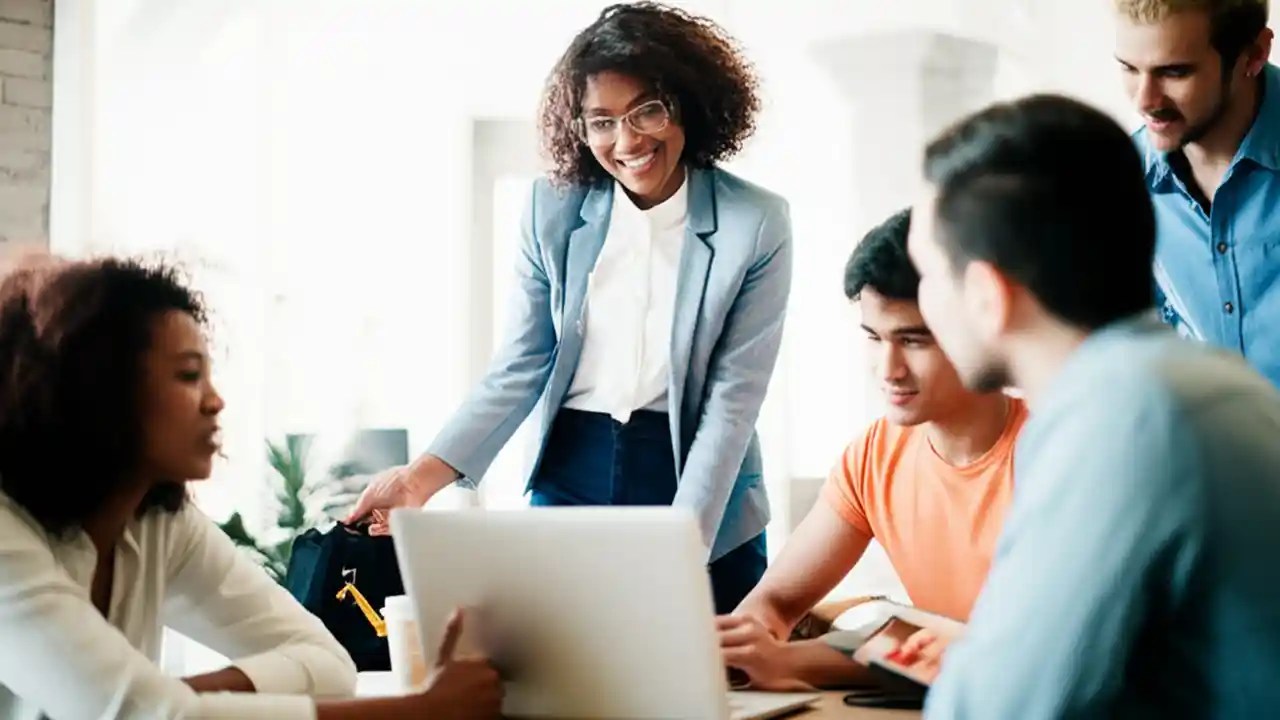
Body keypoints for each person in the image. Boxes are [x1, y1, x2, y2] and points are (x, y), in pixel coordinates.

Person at [347, 2, 791, 613]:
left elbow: (731, 404)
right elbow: (522, 364)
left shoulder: (756, 222)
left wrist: (680, 550)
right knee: (567, 684)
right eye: (602, 121)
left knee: (707, 691)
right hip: (571, 472)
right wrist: (418, 478)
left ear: (688, 102)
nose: (627, 140)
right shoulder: (549, 209)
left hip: (699, 481)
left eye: (648, 111)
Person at [903, 93, 1280, 717]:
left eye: (928, 271)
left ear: (987, 295)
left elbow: (1000, 710)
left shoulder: (1123, 416)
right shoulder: (1200, 384)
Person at [0, 256, 501, 720]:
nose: (215, 401)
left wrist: (160, 699)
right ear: (101, 389)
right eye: (189, 375)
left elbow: (329, 665)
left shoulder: (158, 524)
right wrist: (418, 712)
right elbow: (143, 711)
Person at [717, 209, 1026, 691]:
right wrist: (745, 645)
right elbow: (777, 600)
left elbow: (1014, 649)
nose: (889, 368)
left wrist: (792, 661)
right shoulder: (876, 455)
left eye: (913, 340)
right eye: (873, 338)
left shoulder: (1053, 454)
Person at [1115, 0, 1280, 386]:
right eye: (1128, 67)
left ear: (1254, 55)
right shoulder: (1125, 183)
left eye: (1174, 72)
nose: (1144, 101)